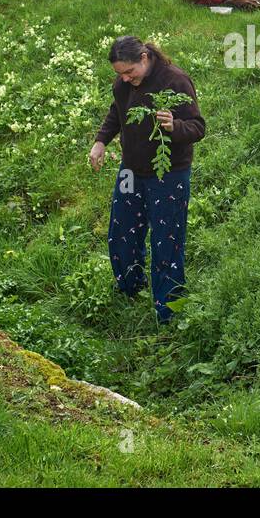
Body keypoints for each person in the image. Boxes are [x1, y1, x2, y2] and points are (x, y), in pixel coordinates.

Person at [89, 36, 206, 324]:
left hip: (168, 173)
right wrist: (101, 141)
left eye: (129, 72)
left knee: (167, 240)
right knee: (122, 231)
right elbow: (117, 113)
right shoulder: (124, 85)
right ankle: (130, 286)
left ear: (144, 57)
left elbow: (198, 127)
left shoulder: (175, 81)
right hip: (131, 171)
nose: (126, 79)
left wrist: (174, 126)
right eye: (120, 74)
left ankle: (169, 310)